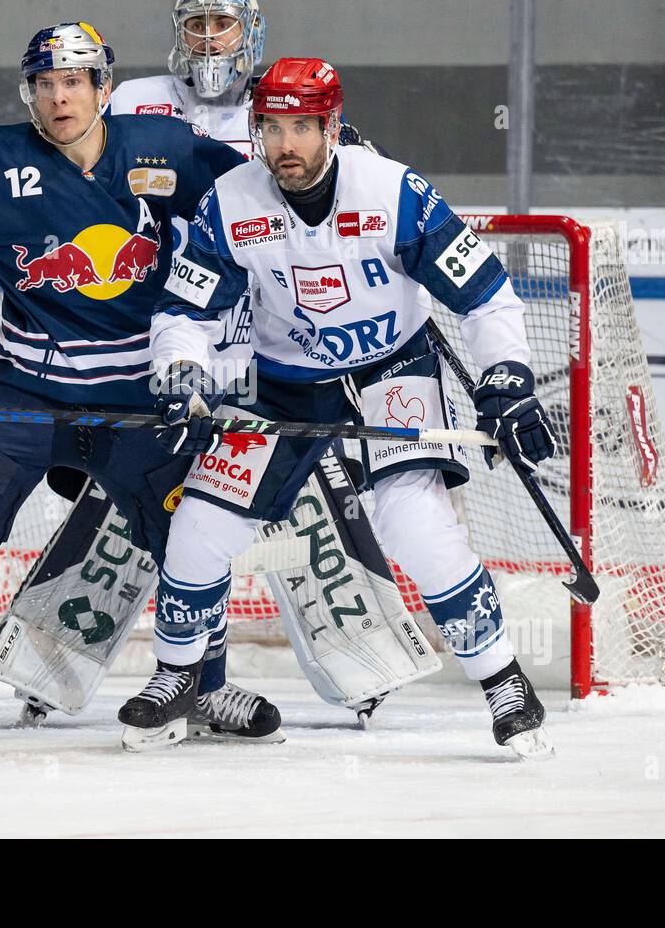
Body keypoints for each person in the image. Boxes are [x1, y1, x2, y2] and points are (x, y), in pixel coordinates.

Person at [123, 57, 558, 759]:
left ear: (332, 125)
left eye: (302, 126)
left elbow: (485, 292)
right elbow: (184, 308)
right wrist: (180, 363)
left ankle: (503, 679)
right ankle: (179, 676)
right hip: (284, 383)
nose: (285, 144)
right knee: (201, 523)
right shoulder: (232, 201)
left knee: (415, 524)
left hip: (392, 370)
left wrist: (507, 376)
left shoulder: (392, 191)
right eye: (271, 127)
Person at [0, 21, 252, 749]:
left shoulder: (161, 148)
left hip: (138, 393)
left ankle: (203, 685)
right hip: (26, 390)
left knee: (190, 544)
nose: (59, 97)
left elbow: (259, 194)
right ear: (28, 91)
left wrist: (328, 162)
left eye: (74, 81)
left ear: (104, 87)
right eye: (45, 83)